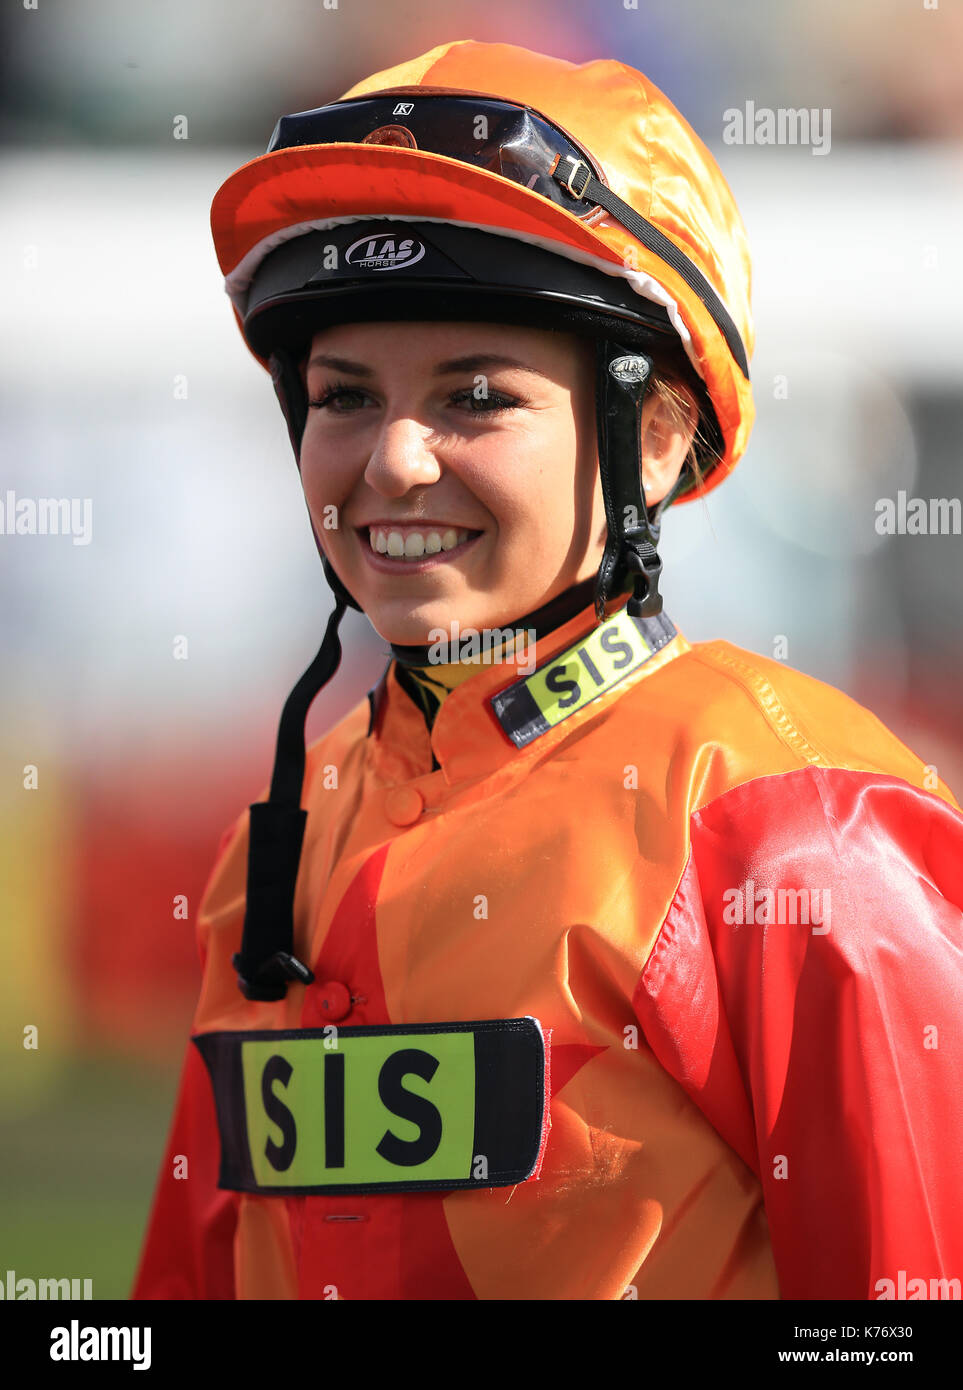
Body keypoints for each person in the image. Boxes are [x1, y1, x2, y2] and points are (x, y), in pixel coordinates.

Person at [131, 39, 963, 1302]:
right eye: (346, 396)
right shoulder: (282, 838)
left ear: (658, 438)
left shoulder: (800, 830)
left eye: (475, 395)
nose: (394, 461)